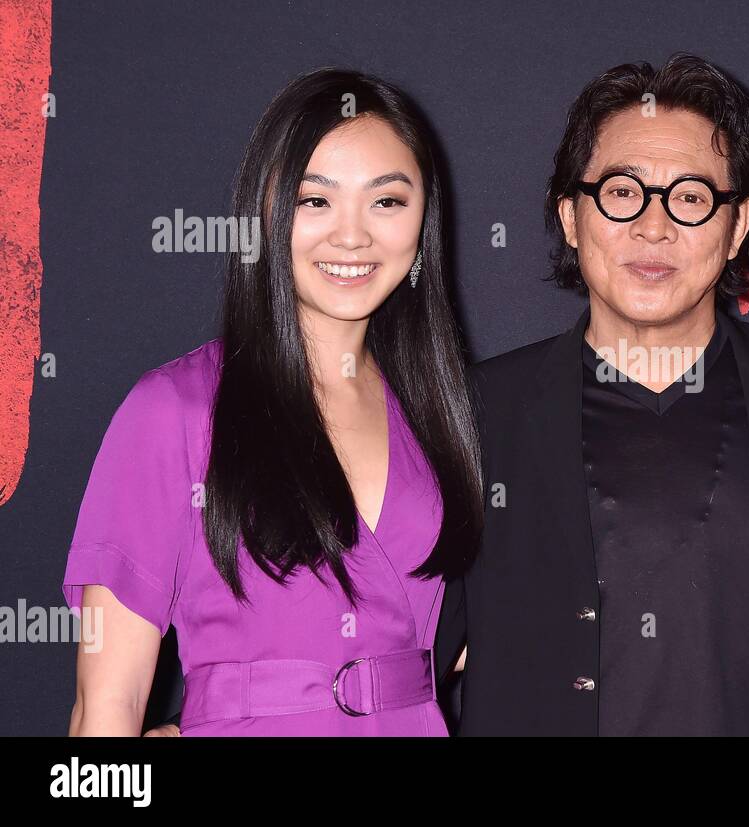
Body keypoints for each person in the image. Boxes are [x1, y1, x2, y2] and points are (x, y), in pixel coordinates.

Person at [434, 53, 749, 736]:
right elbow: (402, 640)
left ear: (738, 226)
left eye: (692, 197)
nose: (655, 226)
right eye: (621, 191)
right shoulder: (475, 411)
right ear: (570, 215)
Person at [64, 68, 481, 736]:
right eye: (315, 201)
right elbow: (104, 710)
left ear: (423, 219)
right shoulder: (173, 410)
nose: (352, 237)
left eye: (386, 201)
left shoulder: (439, 413)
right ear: (266, 209)